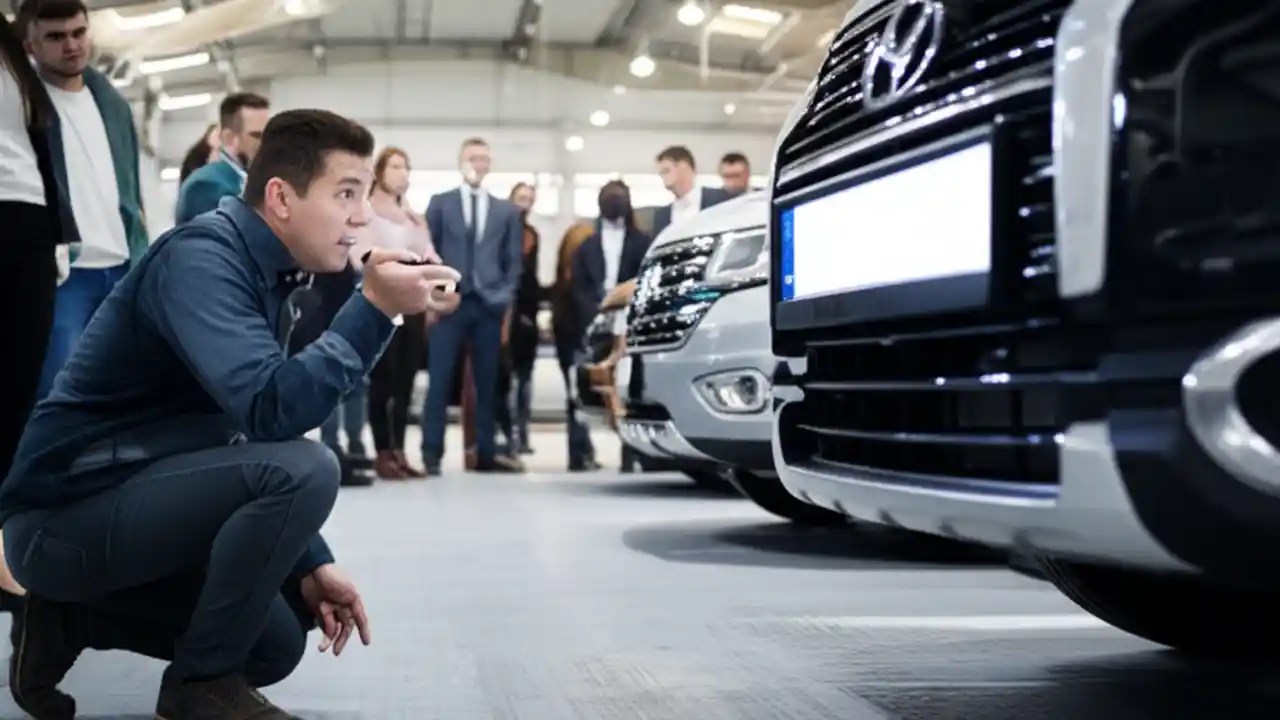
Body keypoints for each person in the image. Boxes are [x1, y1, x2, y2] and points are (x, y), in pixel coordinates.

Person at [0, 109, 462, 719]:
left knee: (275, 642)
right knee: (308, 467)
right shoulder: (202, 261)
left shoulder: (263, 274)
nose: (362, 215)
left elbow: (236, 432)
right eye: (346, 193)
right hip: (65, 516)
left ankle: (64, 617)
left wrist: (312, 562)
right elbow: (271, 412)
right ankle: (198, 688)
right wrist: (373, 308)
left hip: (133, 500)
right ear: (280, 198)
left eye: (366, 196)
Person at [20, 0, 149, 402]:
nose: (72, 45)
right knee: (56, 395)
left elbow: (131, 192)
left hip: (121, 270)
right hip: (64, 276)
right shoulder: (23, 106)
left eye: (78, 33)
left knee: (123, 391)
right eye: (55, 37)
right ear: (30, 46)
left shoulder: (111, 103)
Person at [420, 137, 524, 475]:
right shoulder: (440, 204)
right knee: (439, 380)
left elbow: (513, 261)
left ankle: (485, 453)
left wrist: (503, 295)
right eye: (471, 157)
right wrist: (435, 296)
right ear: (460, 162)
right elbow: (428, 252)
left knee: (487, 383)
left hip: (488, 306)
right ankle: (431, 452)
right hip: (449, 304)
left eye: (483, 158)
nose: (477, 163)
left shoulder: (506, 211)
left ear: (490, 164)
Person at [0, 9, 59, 551]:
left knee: (22, 395)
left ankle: (9, 555)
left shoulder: (15, 53)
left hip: (29, 217)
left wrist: (59, 236)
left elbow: (39, 144)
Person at [356, 146, 436, 479]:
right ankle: (382, 452)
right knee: (382, 381)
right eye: (396, 166)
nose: (403, 173)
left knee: (405, 382)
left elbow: (430, 255)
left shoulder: (414, 217)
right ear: (380, 171)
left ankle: (401, 451)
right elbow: (362, 255)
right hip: (383, 303)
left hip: (413, 305)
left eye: (407, 167)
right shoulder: (367, 211)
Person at [572, 180, 652, 472]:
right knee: (587, 385)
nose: (614, 202)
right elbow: (578, 287)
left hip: (629, 327)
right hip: (595, 324)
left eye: (620, 197)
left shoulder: (643, 242)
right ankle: (578, 453)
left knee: (629, 388)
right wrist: (594, 313)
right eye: (609, 197)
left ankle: (632, 453)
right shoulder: (585, 247)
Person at [175, 92, 270, 223]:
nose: (265, 143)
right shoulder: (206, 186)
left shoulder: (251, 181)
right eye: (256, 136)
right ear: (229, 138)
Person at [550, 220, 600, 471]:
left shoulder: (563, 283)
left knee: (574, 396)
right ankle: (581, 450)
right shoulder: (584, 281)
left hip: (567, 338)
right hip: (576, 338)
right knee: (580, 395)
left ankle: (579, 452)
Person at [506, 182, 542, 456]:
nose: (524, 203)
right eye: (520, 198)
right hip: (505, 312)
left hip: (527, 316)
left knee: (526, 380)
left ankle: (523, 435)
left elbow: (531, 278)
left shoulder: (532, 235)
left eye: (529, 199)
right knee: (507, 380)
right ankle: (508, 435)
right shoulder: (502, 232)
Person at [651, 145, 732, 238]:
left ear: (684, 166)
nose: (662, 176)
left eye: (666, 170)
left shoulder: (720, 199)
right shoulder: (661, 216)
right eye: (661, 172)